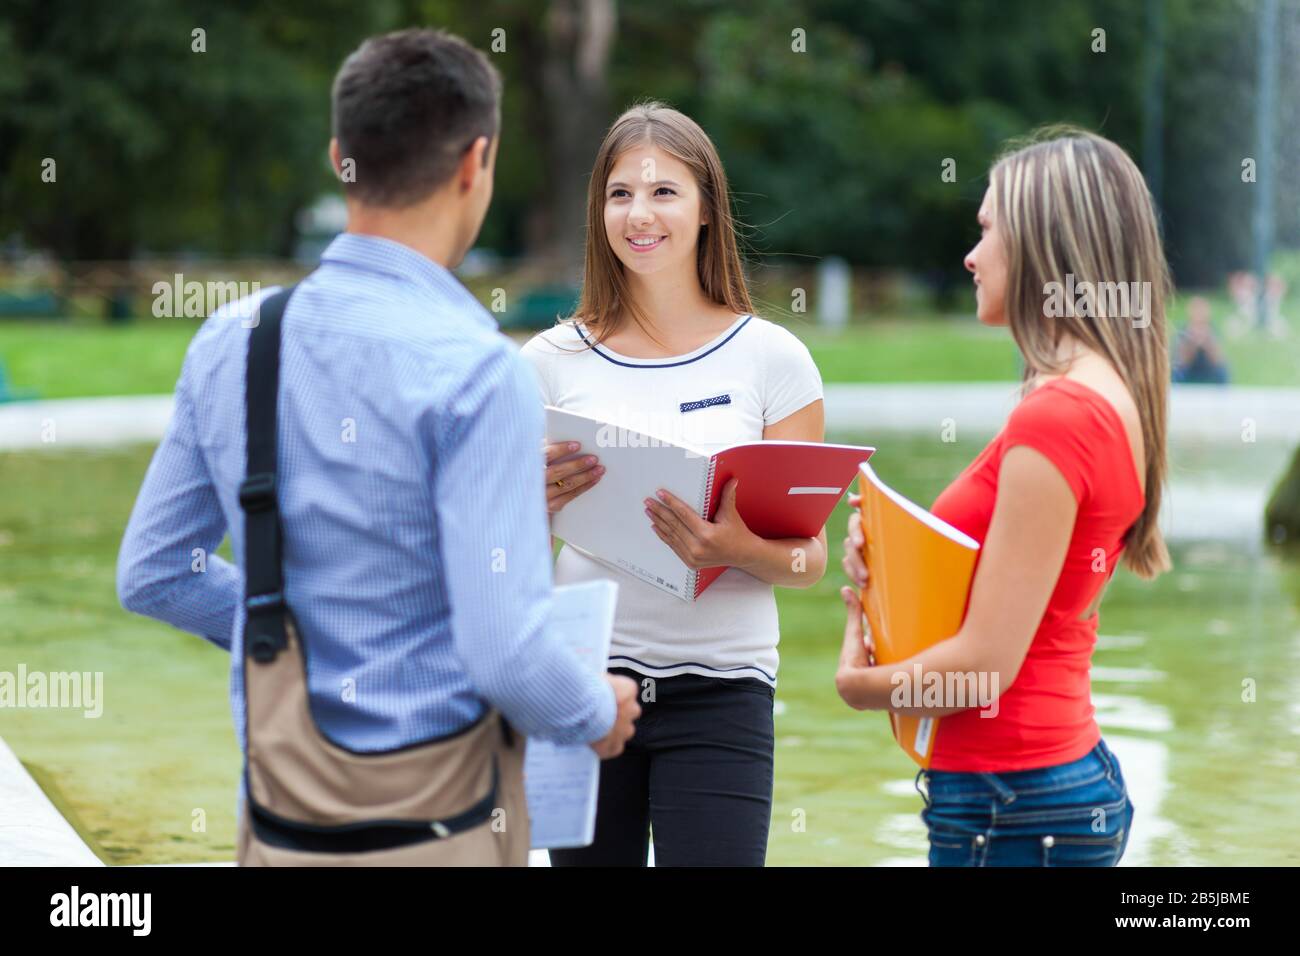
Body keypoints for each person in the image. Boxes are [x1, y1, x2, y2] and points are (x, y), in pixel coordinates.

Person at [116, 27, 638, 866]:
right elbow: (505, 652)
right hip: (440, 832)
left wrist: (282, 620)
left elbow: (153, 574)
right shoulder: (480, 373)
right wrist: (595, 710)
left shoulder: (232, 341)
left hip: (280, 827)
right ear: (475, 163)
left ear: (339, 156)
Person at [837, 128, 1171, 866]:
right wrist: (887, 582)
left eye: (988, 231)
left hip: (1012, 799)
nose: (971, 255)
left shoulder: (1057, 416)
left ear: (1045, 247)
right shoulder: (1104, 395)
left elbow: (987, 663)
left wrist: (861, 685)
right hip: (1043, 786)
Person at [519, 102, 827, 866]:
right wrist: (529, 507)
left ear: (705, 211)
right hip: (584, 689)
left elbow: (807, 561)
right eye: (620, 193)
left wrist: (734, 547)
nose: (639, 214)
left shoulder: (772, 361)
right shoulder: (547, 362)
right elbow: (495, 559)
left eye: (664, 192)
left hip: (724, 693)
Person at [1171, 295, 1229, 383]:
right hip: (1189, 369)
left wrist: (1207, 343)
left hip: (1207, 368)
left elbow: (1218, 360)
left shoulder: (1212, 330)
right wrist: (1191, 343)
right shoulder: (1183, 330)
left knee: (1223, 370)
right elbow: (1182, 362)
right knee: (1175, 371)